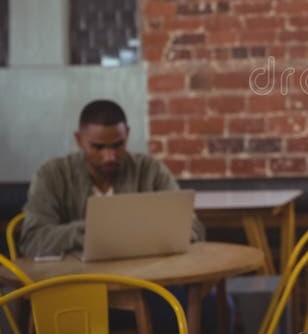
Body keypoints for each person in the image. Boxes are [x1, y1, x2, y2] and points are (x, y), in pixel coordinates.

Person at [19, 99, 204, 256]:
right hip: (76, 284)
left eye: (118, 145)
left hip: (145, 279)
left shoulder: (150, 170)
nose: (109, 156)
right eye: (98, 147)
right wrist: (91, 232)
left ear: (127, 134)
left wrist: (137, 233)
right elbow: (32, 241)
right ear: (79, 139)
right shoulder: (51, 175)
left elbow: (193, 228)